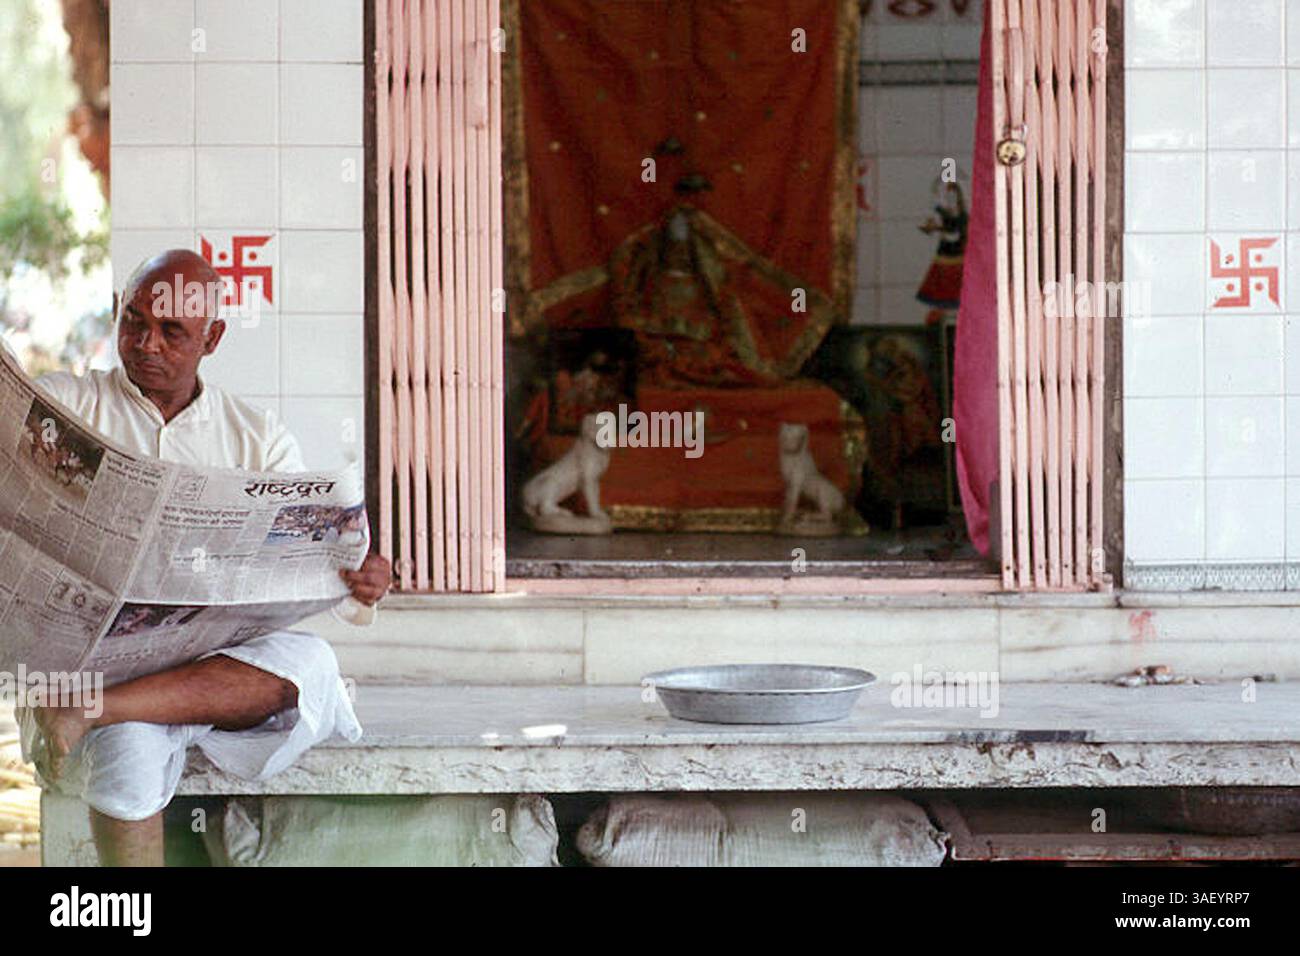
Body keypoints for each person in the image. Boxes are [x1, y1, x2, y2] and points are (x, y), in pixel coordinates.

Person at [18, 249, 392, 866]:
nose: (146, 344)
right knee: (127, 751)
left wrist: (359, 577)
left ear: (212, 338)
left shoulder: (257, 436)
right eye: (134, 321)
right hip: (101, 665)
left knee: (313, 665)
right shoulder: (67, 405)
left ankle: (95, 710)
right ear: (117, 313)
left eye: (172, 331)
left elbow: (310, 558)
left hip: (210, 667)